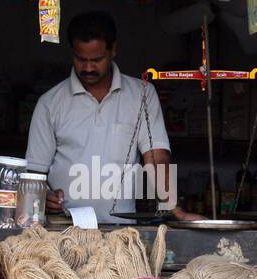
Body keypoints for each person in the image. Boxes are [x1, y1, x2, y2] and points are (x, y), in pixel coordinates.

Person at [26, 11, 199, 224]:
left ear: (113, 50)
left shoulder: (142, 94)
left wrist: (175, 209)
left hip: (121, 231)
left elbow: (157, 157)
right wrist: (44, 197)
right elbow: (34, 173)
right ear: (72, 53)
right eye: (81, 59)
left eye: (97, 59)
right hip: (63, 229)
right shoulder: (50, 103)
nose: (88, 68)